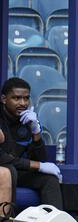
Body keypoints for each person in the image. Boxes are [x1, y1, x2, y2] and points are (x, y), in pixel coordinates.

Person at [0, 77, 63, 210]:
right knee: (9, 171)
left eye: (26, 98)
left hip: (16, 170)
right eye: (16, 98)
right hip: (4, 171)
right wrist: (38, 165)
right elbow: (3, 158)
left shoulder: (28, 119)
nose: (23, 103)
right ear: (4, 99)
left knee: (49, 179)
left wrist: (36, 131)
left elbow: (41, 160)